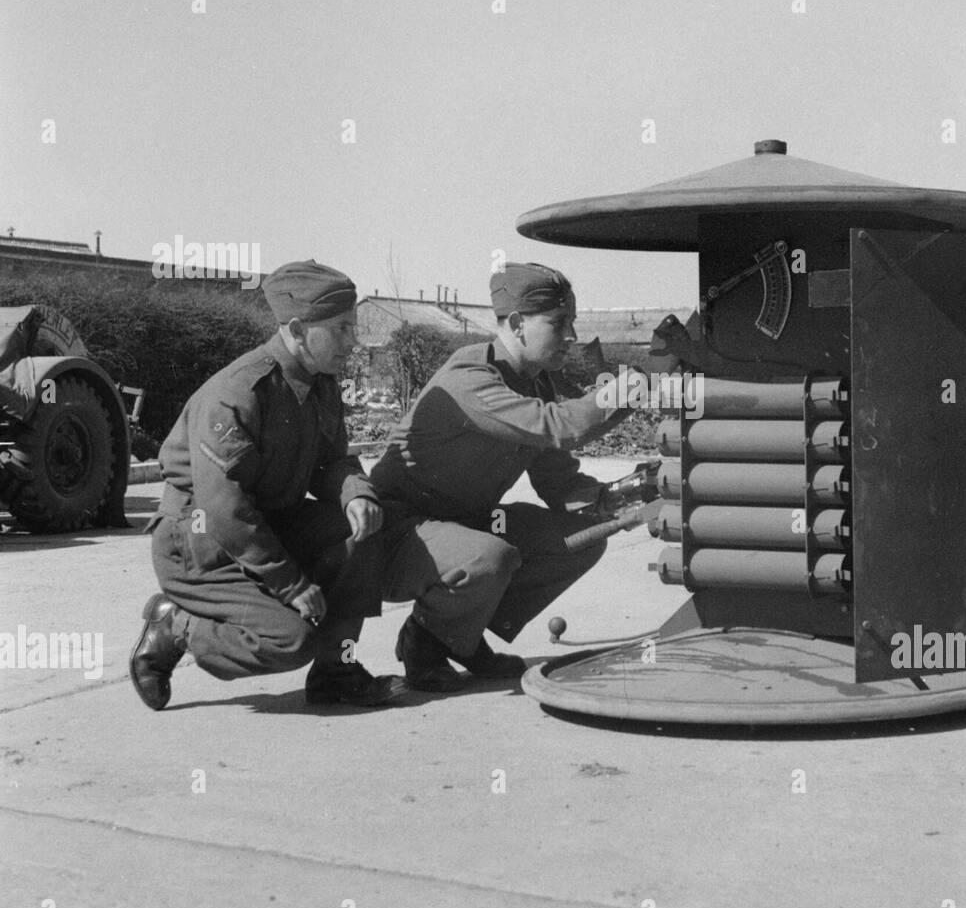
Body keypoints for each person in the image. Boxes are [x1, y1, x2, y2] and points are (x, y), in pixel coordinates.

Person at [128, 260, 407, 710]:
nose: (352, 341)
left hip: (266, 524)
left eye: (352, 328)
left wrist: (355, 491)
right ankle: (174, 623)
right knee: (289, 640)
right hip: (200, 543)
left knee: (361, 530)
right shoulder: (236, 394)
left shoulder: (320, 385)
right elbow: (226, 512)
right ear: (297, 330)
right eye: (340, 329)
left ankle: (337, 673)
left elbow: (331, 462)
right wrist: (293, 586)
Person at [371, 262, 627, 691]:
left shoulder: (535, 383)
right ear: (516, 324)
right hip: (398, 534)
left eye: (573, 322)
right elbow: (559, 425)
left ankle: (460, 636)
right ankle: (424, 642)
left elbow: (559, 482)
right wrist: (632, 388)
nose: (572, 336)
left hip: (464, 528)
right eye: (559, 323)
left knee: (583, 539)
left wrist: (618, 501)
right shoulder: (471, 376)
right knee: (490, 557)